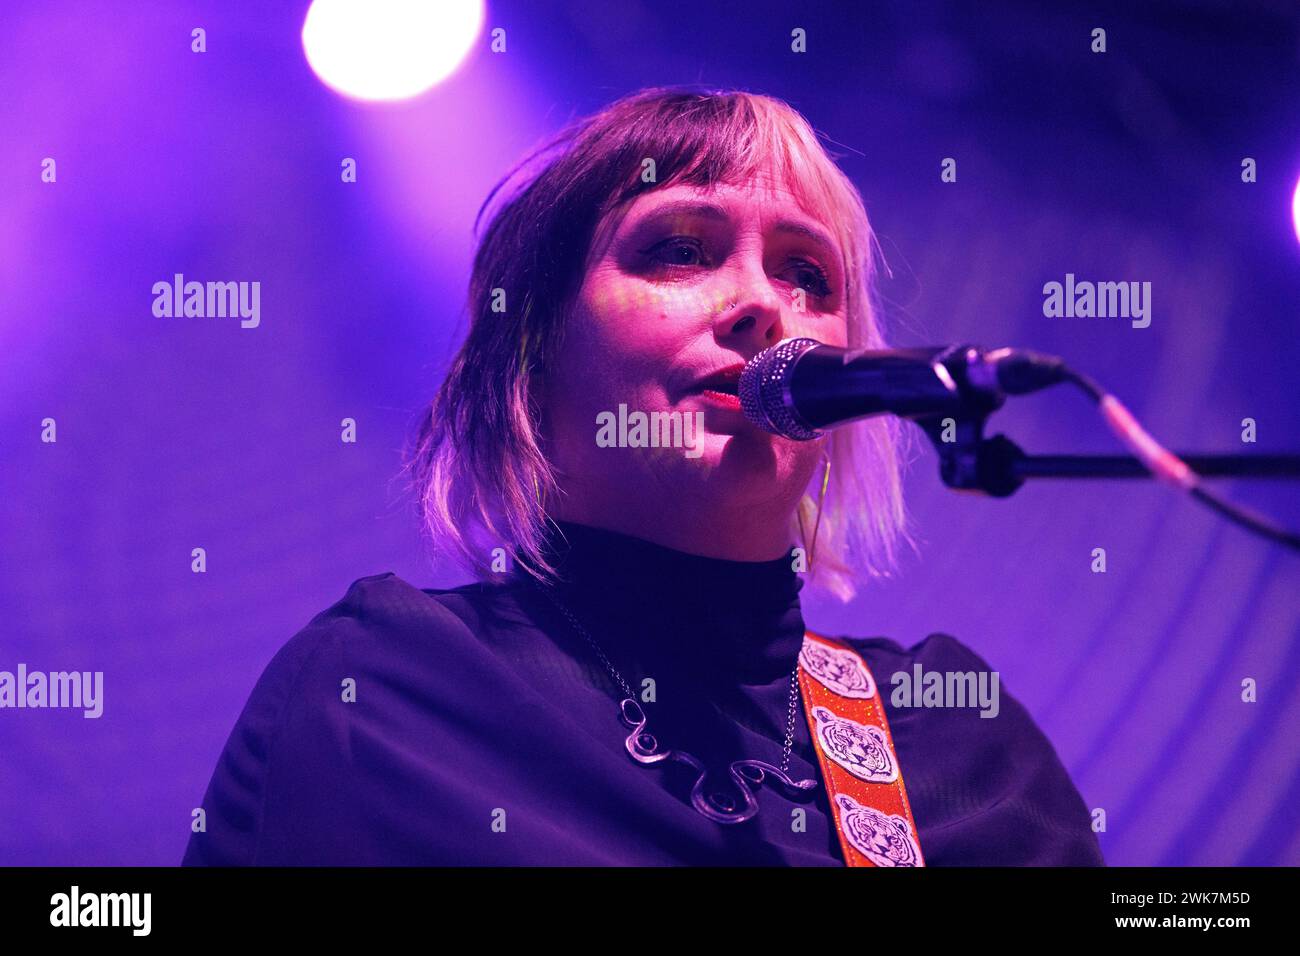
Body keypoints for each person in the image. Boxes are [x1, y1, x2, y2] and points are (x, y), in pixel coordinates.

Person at [183, 87, 1104, 866]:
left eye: (806, 274)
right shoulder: (390, 692)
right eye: (680, 249)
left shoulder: (960, 751)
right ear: (532, 359)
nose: (758, 305)